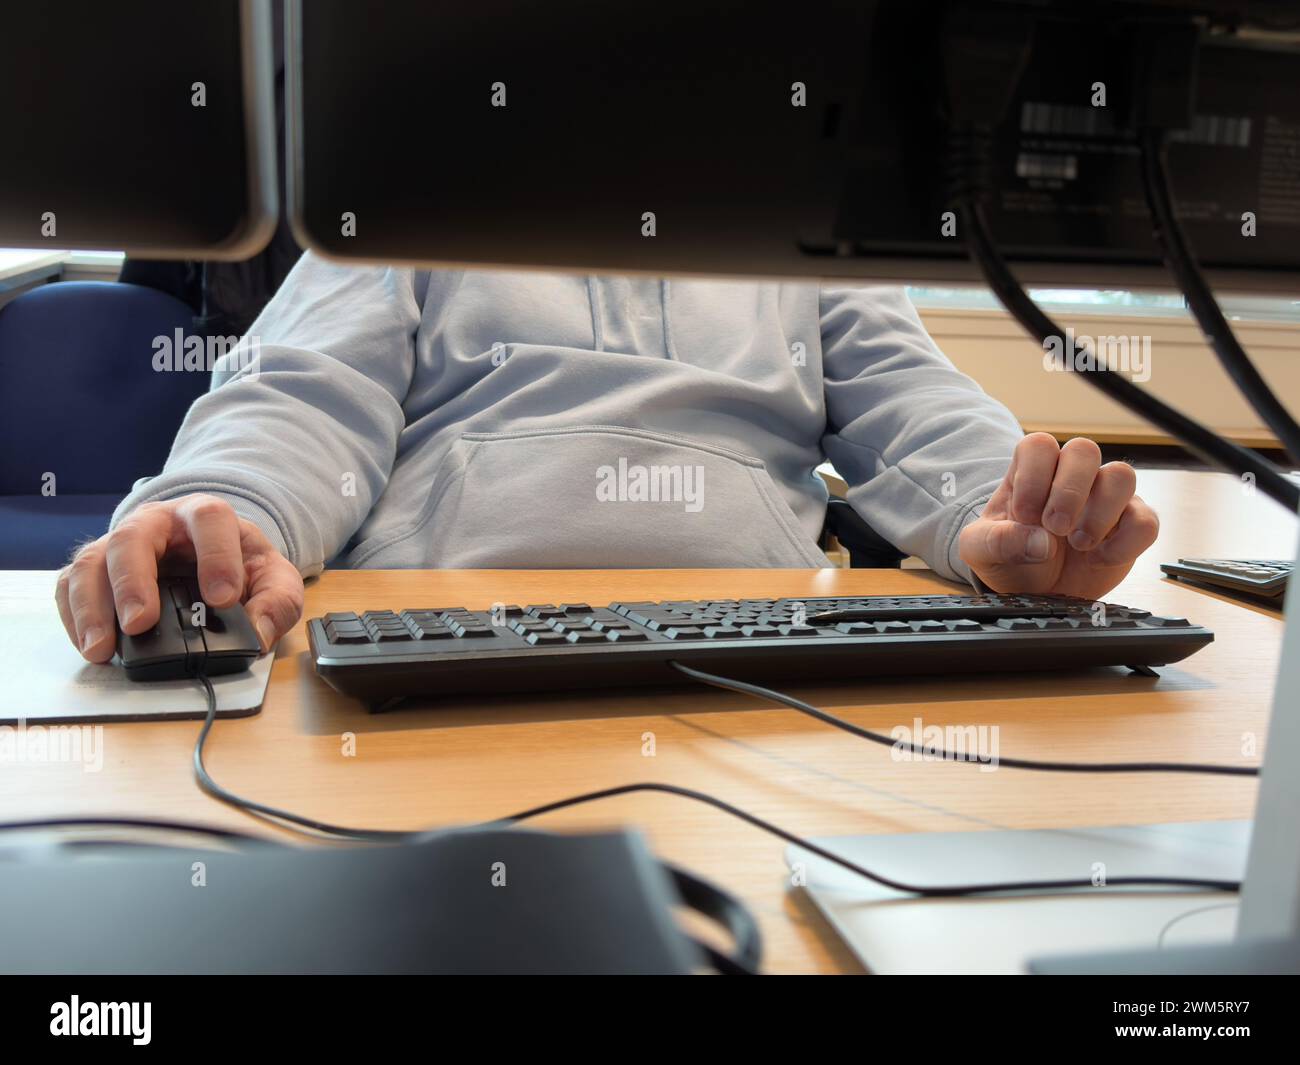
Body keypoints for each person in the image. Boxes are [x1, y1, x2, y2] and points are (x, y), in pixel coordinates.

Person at [57, 256, 1158, 660]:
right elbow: (302, 391)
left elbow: (914, 398)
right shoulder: (408, 201)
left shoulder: (796, 229)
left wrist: (1006, 510)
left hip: (761, 667)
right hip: (438, 654)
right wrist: (230, 502)